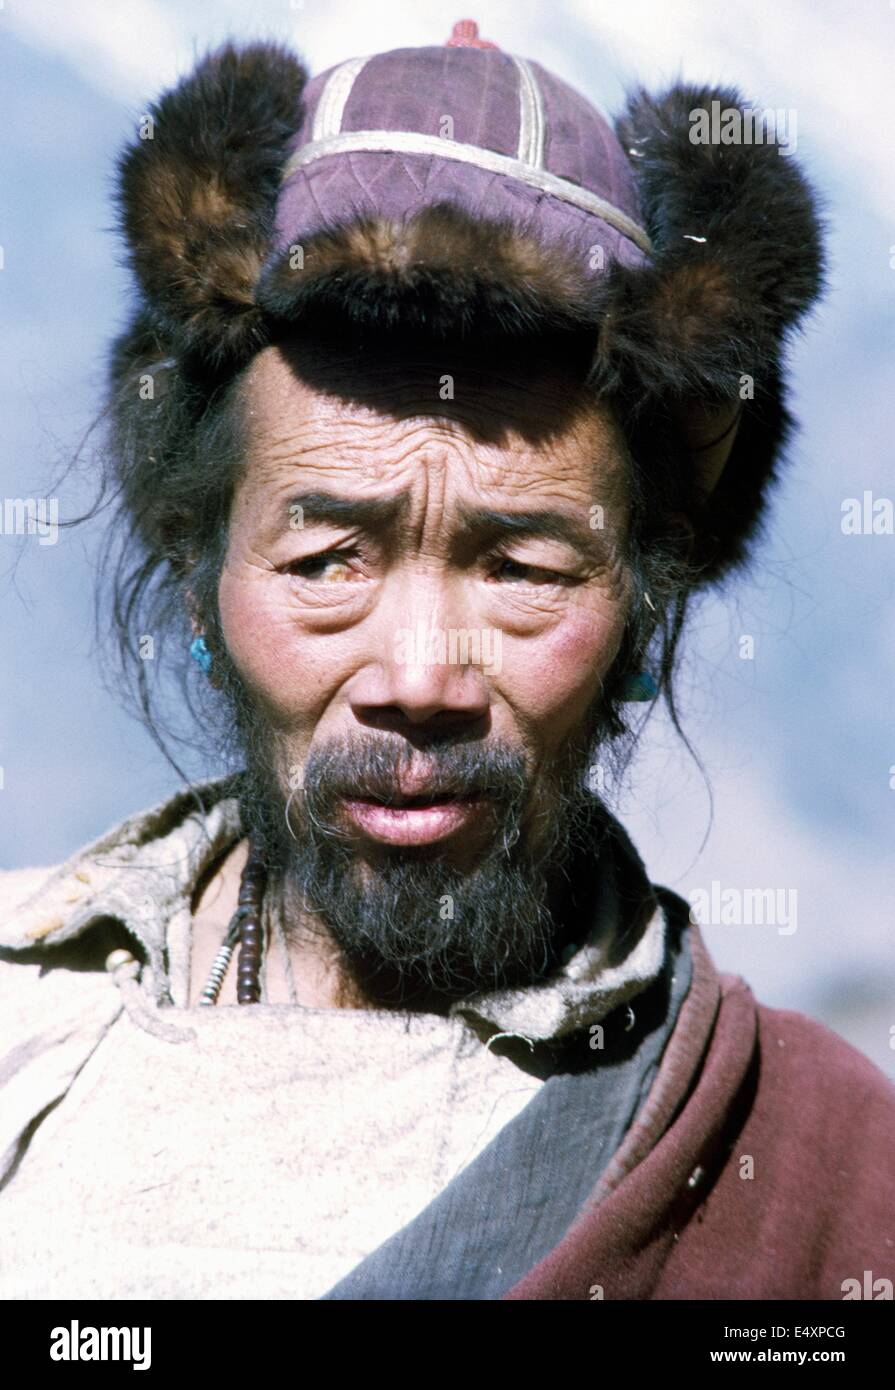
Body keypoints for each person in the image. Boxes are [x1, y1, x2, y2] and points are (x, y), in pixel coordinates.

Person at [1, 21, 893, 1302]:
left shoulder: (823, 1168)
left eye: (522, 570)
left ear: (645, 599)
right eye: (327, 564)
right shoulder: (29, 1035)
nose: (418, 678)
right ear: (201, 568)